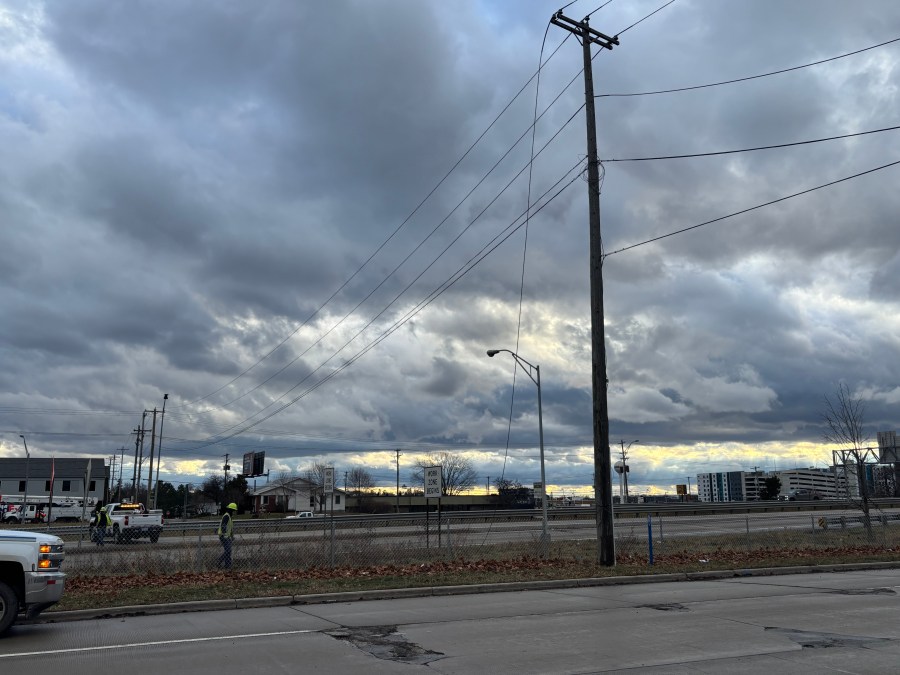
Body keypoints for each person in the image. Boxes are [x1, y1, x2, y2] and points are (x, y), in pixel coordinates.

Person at [216, 502, 237, 569]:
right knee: (228, 550)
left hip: (227, 536)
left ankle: (228, 565)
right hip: (223, 536)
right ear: (231, 510)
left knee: (228, 551)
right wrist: (225, 534)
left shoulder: (229, 517)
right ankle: (219, 561)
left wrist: (232, 536)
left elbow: (230, 528)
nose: (234, 512)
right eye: (233, 510)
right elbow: (223, 525)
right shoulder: (226, 516)